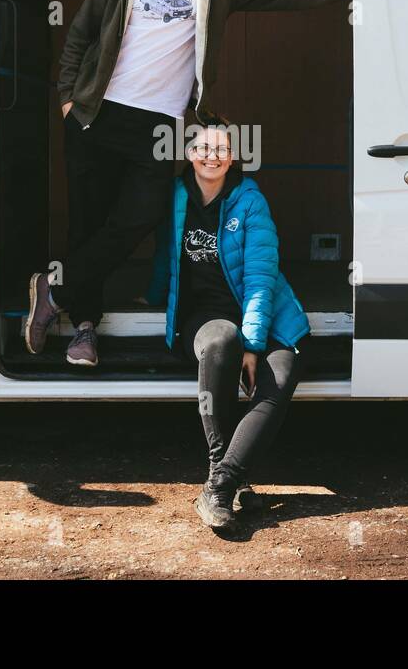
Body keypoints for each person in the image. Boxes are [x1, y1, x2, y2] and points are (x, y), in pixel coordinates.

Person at [25, 0, 351, 366]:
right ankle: (84, 329)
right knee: (89, 223)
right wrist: (68, 99)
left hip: (159, 124)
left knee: (142, 213)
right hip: (99, 113)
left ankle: (54, 288)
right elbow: (81, 32)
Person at [152, 120, 310, 530]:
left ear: (232, 157)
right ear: (189, 154)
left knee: (284, 373)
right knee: (221, 341)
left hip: (262, 313)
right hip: (207, 314)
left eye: (221, 149)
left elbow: (260, 279)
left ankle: (219, 485)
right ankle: (224, 471)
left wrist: (254, 346)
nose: (212, 155)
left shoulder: (249, 200)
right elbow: (166, 257)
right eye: (203, 148)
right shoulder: (176, 197)